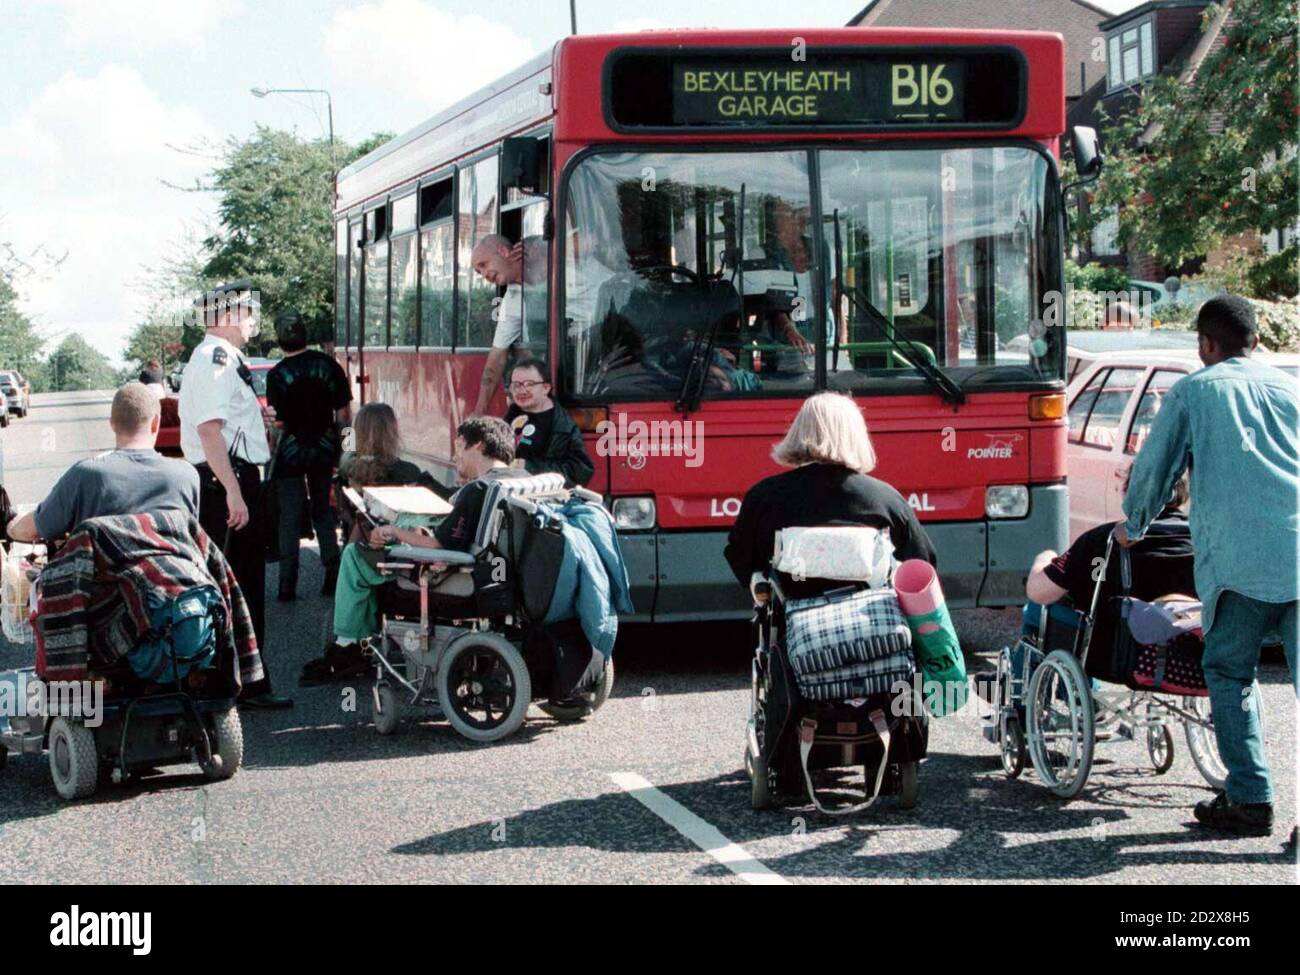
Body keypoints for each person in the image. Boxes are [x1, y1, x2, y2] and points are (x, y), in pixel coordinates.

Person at [1118, 294, 1298, 837]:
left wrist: (1136, 524)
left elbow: (1154, 471)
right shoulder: (1292, 388)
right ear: (1257, 342)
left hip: (1241, 562)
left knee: (1229, 673)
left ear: (1205, 343)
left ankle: (1249, 798)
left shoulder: (1194, 392)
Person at [302, 416, 527, 683]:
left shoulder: (476, 489)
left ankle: (348, 645)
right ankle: (355, 643)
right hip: (498, 574)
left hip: (456, 576)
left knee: (356, 556)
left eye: (459, 446)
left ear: (477, 445)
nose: (456, 455)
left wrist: (394, 532)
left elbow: (440, 544)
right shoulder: (519, 479)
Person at [178, 278, 291, 710]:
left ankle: (241, 680)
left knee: (242, 581)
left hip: (233, 478)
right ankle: (234, 685)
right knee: (234, 585)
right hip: (225, 480)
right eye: (246, 312)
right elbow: (210, 431)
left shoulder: (220, 357)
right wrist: (233, 492)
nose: (252, 321)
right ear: (227, 318)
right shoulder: (216, 358)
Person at [724, 391, 936, 598]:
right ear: (856, 437)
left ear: (798, 433)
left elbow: (740, 557)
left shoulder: (764, 497)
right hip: (873, 626)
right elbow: (922, 562)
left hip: (793, 626)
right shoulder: (886, 499)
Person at [6, 382, 199, 544]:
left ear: (112, 423)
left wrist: (11, 527)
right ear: (156, 423)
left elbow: (31, 530)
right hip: (170, 585)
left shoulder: (85, 475)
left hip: (103, 587)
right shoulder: (186, 476)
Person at [265, 310, 353, 600]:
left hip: (290, 450)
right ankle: (332, 575)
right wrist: (347, 450)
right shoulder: (329, 366)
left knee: (289, 516)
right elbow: (344, 414)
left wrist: (271, 453)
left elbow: (278, 425)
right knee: (323, 511)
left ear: (280, 341)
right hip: (325, 447)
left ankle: (286, 585)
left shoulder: (277, 374)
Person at [503, 357, 593, 486]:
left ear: (546, 388)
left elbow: (580, 471)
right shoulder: (511, 416)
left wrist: (529, 467)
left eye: (529, 384)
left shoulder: (563, 427)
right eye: (516, 385)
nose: (522, 391)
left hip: (547, 499)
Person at [470, 234, 527, 417]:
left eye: (484, 264)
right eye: (479, 272)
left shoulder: (548, 260)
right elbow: (497, 357)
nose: (485, 275)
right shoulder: (511, 302)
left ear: (503, 251)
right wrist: (479, 411)